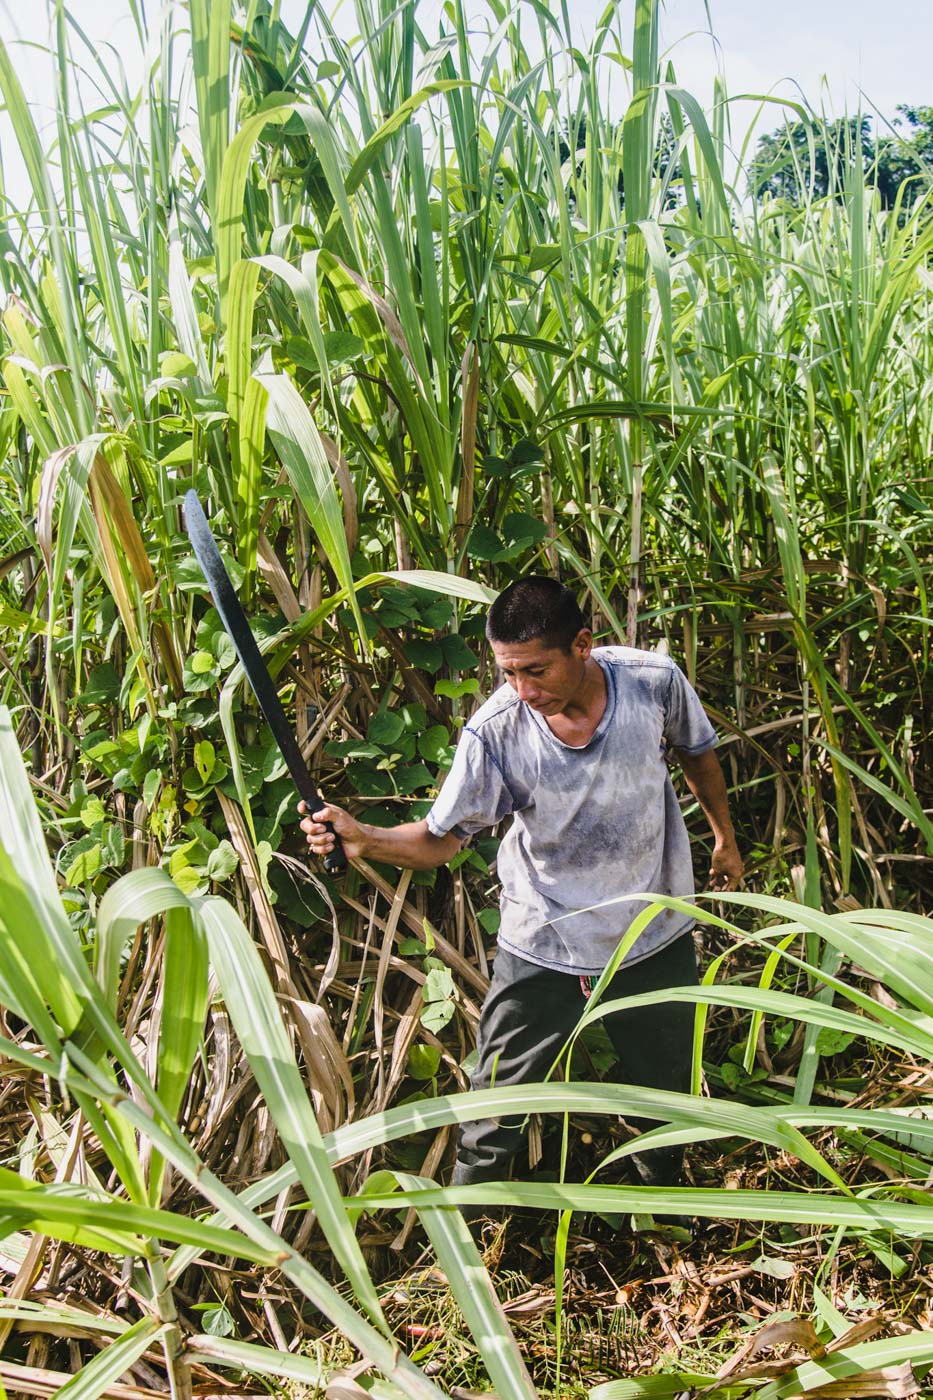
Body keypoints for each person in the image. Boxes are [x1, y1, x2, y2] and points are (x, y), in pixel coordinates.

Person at [300, 576, 743, 1192]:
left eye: (535, 671)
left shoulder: (653, 682)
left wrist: (723, 838)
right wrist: (365, 838)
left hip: (651, 934)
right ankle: (466, 1238)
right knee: (497, 1101)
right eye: (508, 673)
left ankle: (663, 1220)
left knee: (663, 1093)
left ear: (583, 645)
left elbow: (699, 753)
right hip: (545, 941)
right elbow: (442, 837)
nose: (522, 689)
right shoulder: (497, 731)